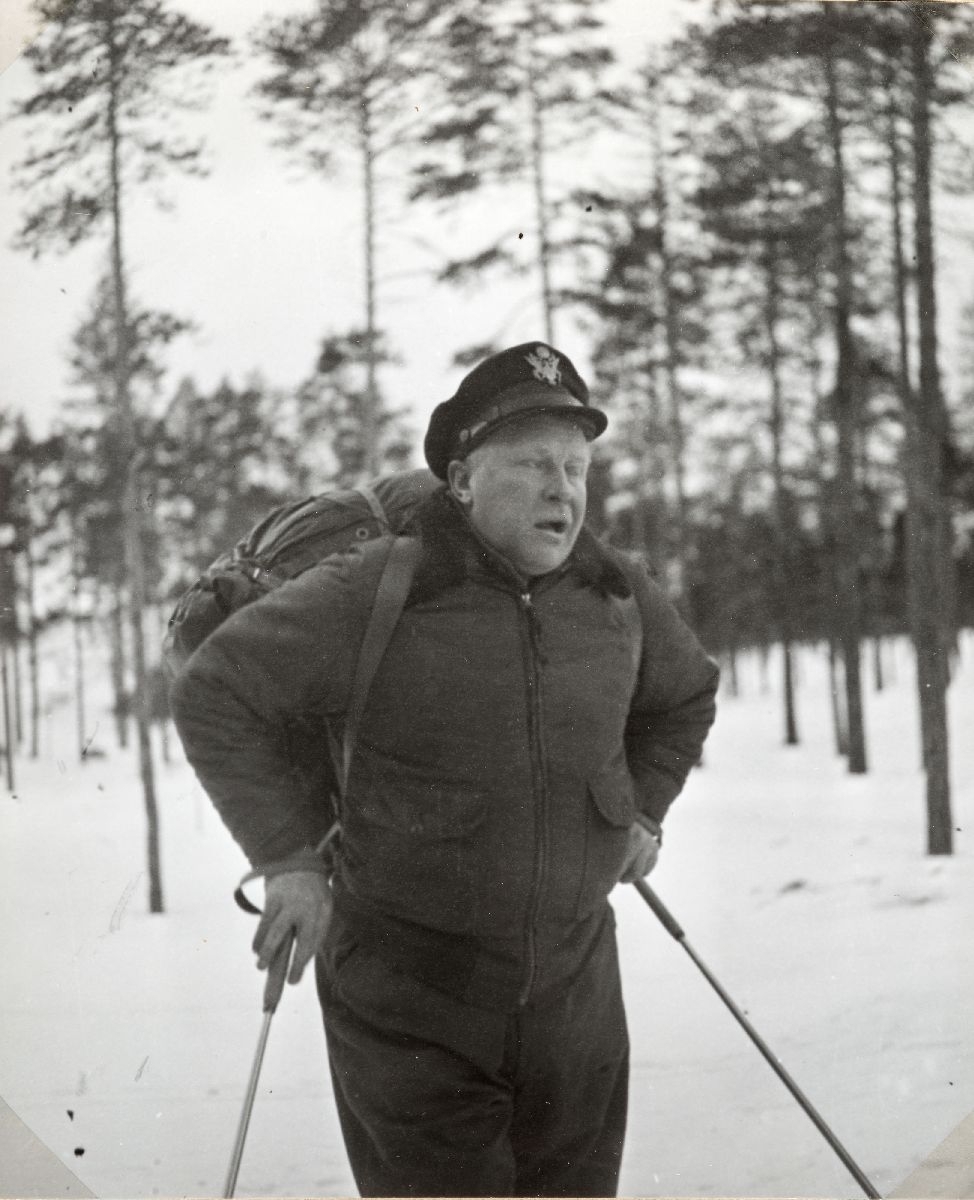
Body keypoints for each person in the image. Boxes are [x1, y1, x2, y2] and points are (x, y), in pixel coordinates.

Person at [170, 342, 719, 1198]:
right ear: (461, 480)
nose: (562, 490)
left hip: (575, 1000)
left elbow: (684, 698)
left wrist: (643, 810)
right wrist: (287, 861)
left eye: (576, 466)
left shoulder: (616, 595)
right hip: (410, 1009)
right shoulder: (377, 588)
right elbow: (215, 691)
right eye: (533, 464)